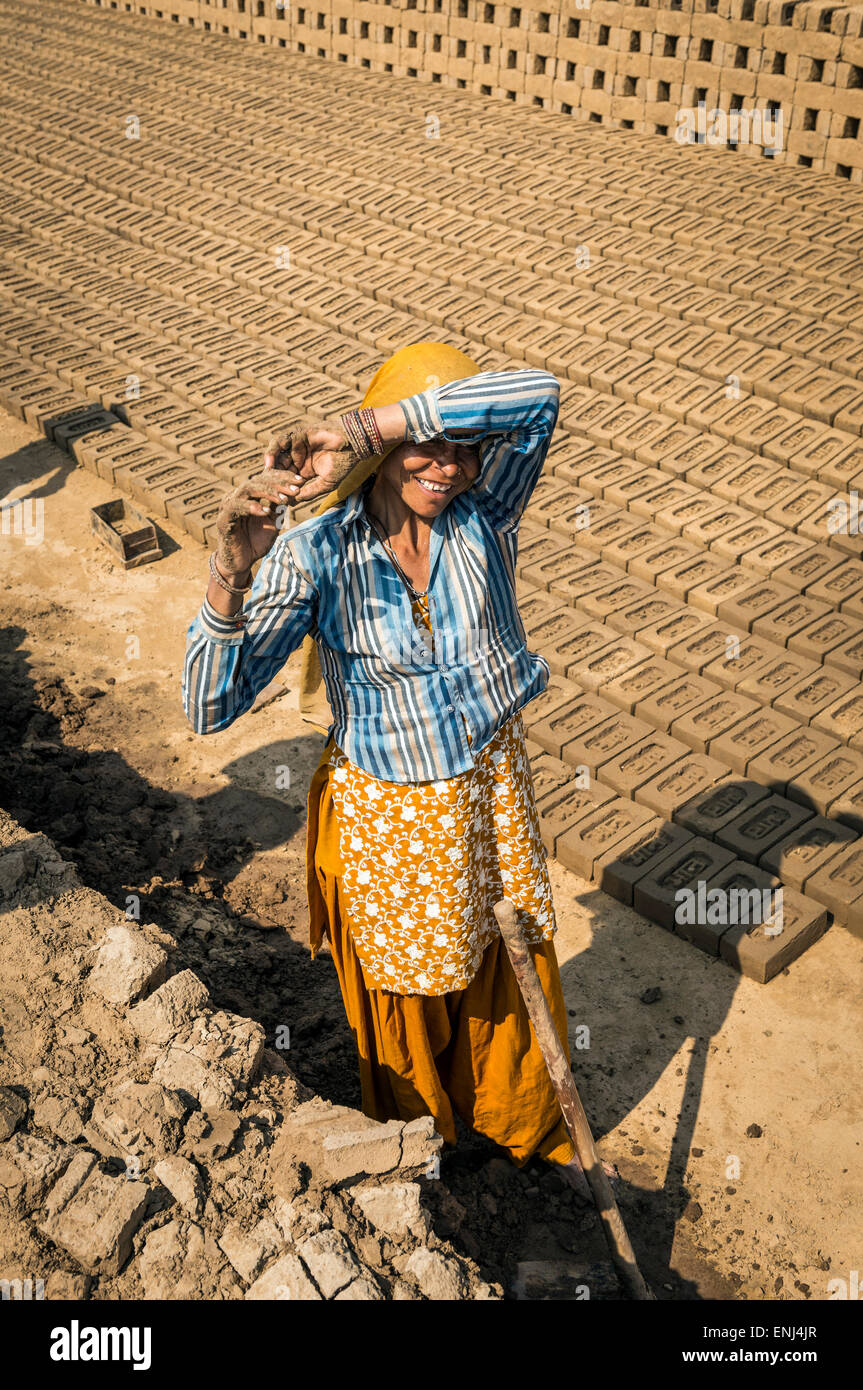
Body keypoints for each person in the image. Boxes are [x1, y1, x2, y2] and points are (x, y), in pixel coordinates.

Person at [183, 341, 597, 1193]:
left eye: (460, 442)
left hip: (490, 792)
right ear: (381, 458)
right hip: (395, 819)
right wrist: (234, 565)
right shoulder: (317, 554)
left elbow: (541, 394)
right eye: (425, 446)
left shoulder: (487, 512)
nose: (446, 467)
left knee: (502, 959)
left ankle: (515, 1128)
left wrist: (365, 425)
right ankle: (424, 1162)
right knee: (413, 994)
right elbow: (207, 706)